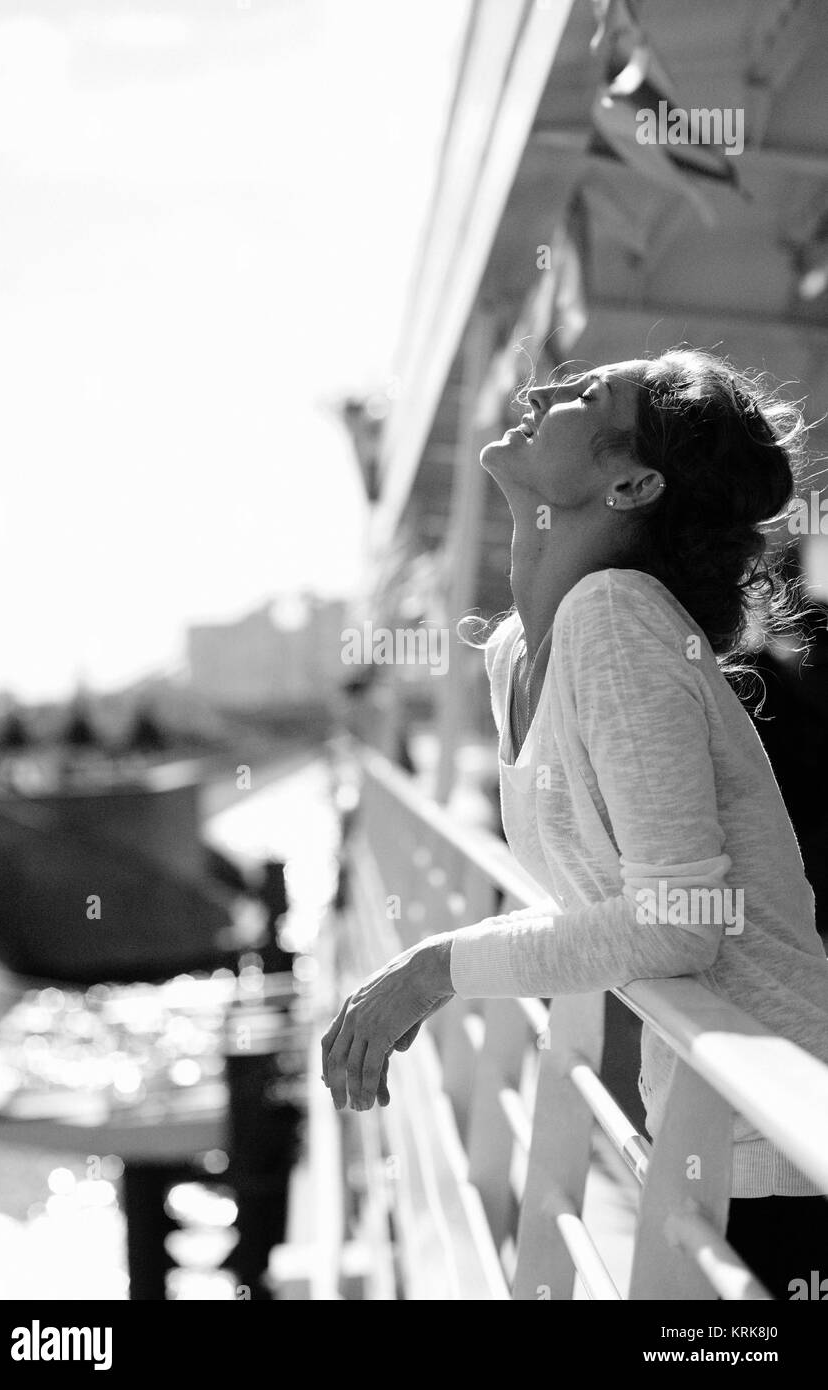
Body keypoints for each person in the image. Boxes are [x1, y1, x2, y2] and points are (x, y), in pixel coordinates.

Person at [321, 348, 828, 1299]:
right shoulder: (518, 648)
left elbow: (678, 922)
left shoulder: (614, 619)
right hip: (704, 1140)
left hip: (780, 1154)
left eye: (585, 396)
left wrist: (439, 967)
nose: (539, 392)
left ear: (632, 481)